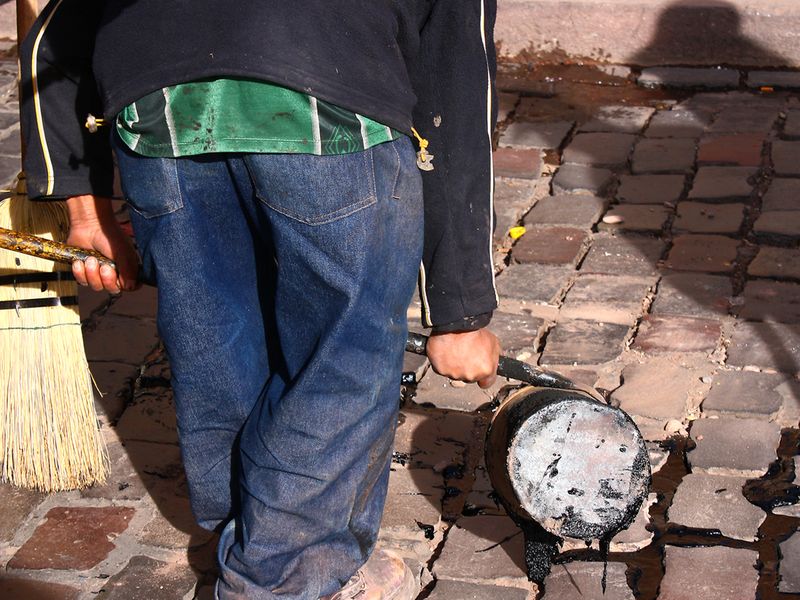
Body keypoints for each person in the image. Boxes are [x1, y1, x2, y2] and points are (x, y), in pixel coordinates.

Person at [20, 1, 501, 598]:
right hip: (325, 100)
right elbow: (455, 70)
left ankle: (251, 530)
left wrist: (81, 202)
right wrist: (460, 309)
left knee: (214, 343)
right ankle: (283, 574)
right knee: (341, 356)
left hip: (159, 107)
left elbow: (55, 24)